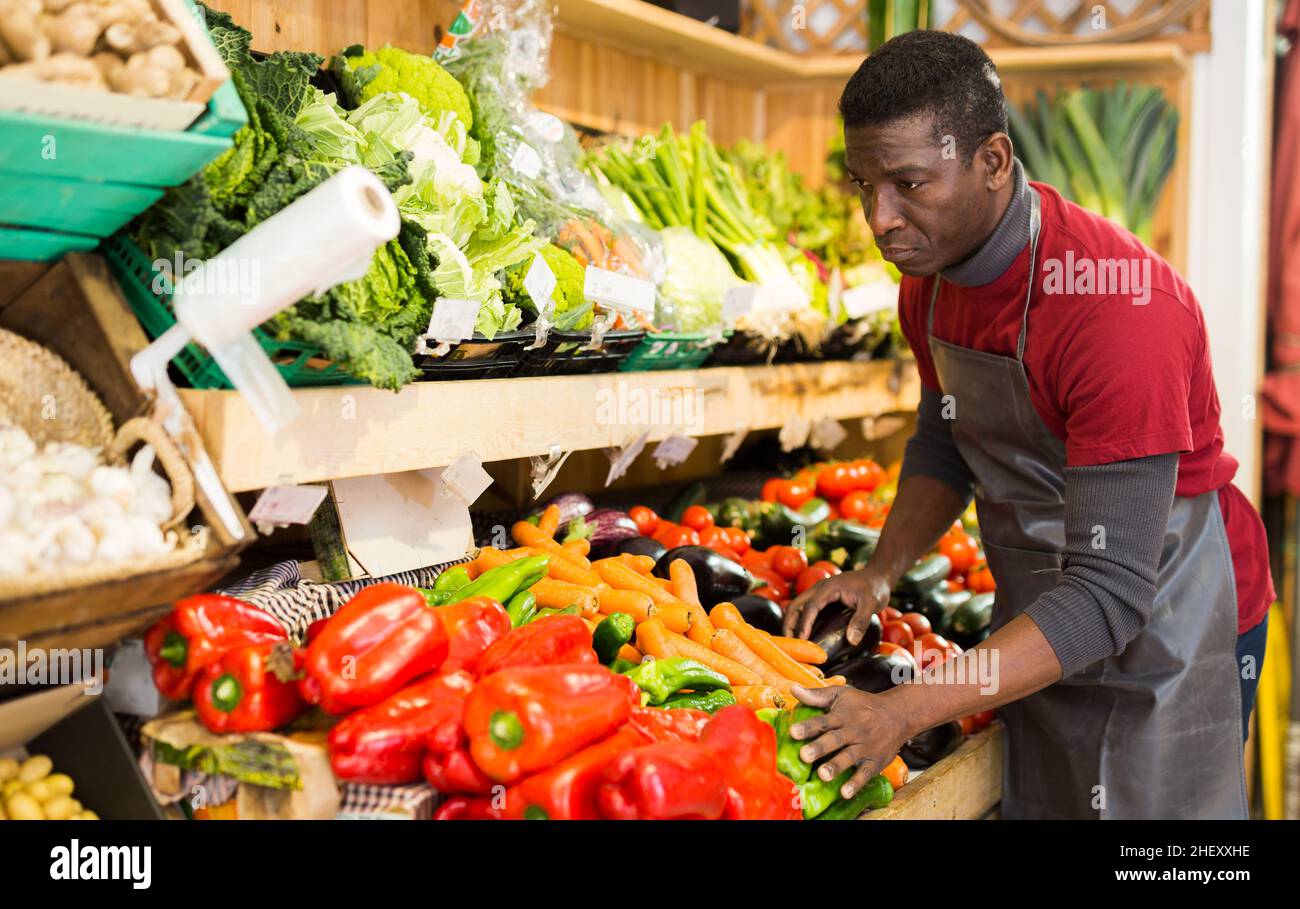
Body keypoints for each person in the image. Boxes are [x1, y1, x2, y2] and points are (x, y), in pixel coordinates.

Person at [783, 30, 1273, 820]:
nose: (880, 219)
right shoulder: (931, 280)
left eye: (909, 182)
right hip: (1042, 625)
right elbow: (946, 437)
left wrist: (907, 709)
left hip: (1172, 625)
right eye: (862, 185)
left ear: (993, 161)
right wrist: (881, 573)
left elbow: (1112, 594)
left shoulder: (1118, 310)